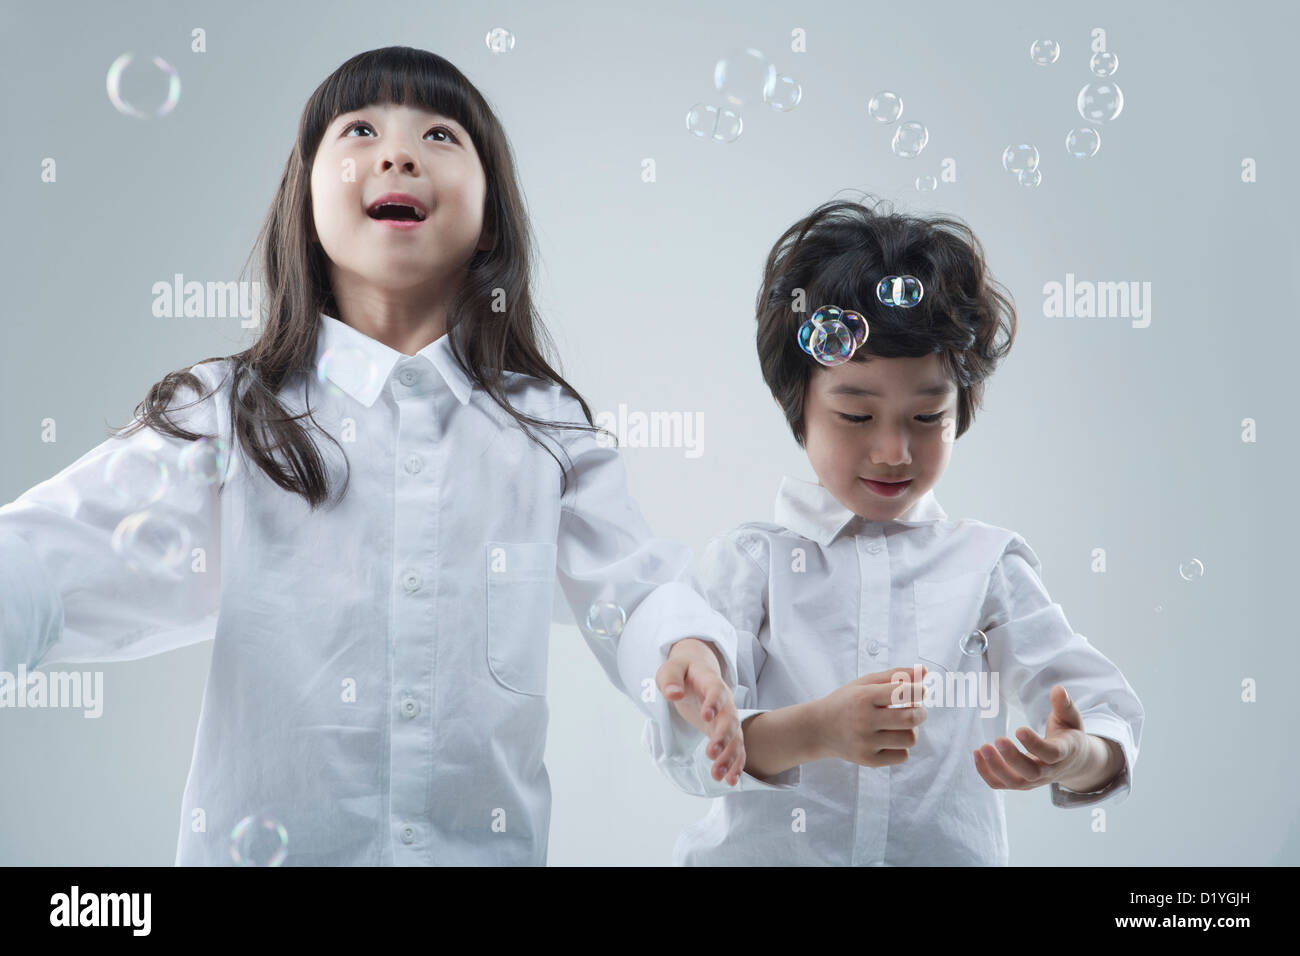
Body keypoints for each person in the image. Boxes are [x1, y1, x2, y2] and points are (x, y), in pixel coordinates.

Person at [0, 46, 747, 866]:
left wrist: (683, 654)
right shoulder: (228, 415)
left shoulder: (546, 430)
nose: (398, 152)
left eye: (440, 135)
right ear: (306, 196)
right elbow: (52, 555)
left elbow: (635, 593)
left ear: (491, 213)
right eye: (360, 129)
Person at [653, 196, 1145, 865]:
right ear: (796, 402)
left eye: (926, 417)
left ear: (960, 408)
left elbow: (1101, 705)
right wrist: (814, 730)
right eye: (856, 416)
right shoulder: (751, 564)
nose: (893, 451)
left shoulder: (987, 566)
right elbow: (687, 747)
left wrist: (1076, 754)